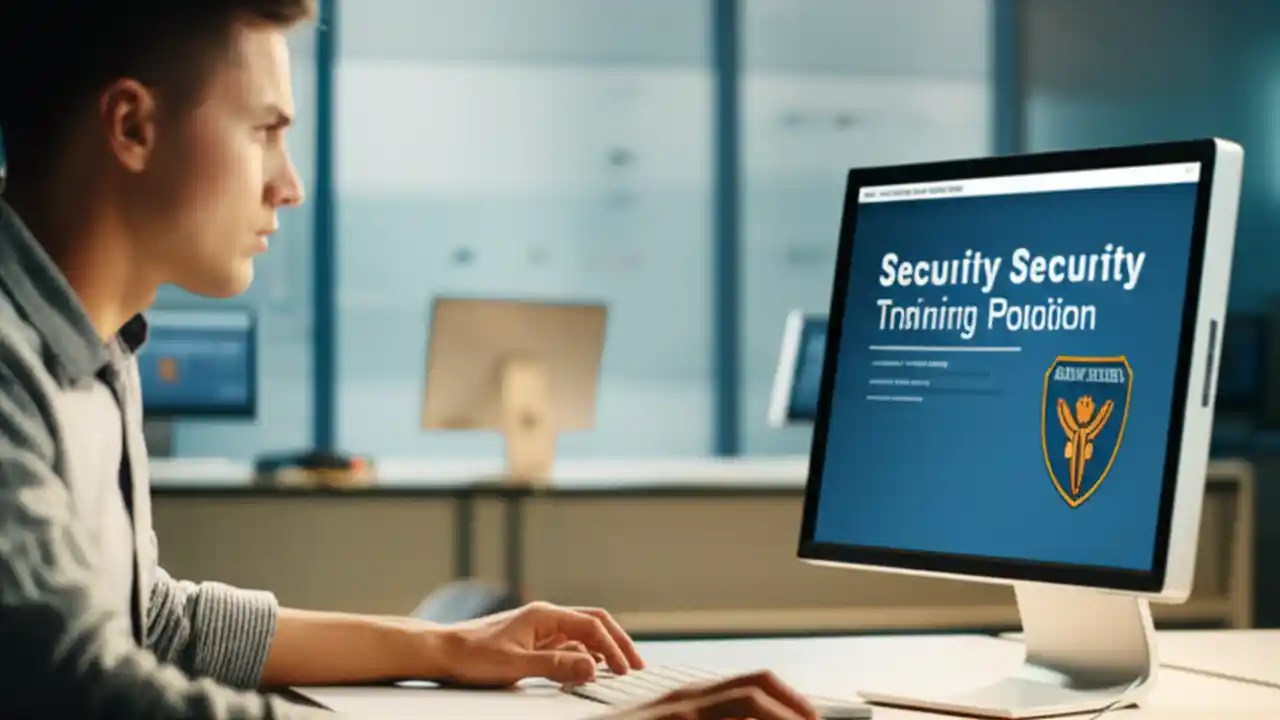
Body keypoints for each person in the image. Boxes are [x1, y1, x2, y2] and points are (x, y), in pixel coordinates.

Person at [0, 2, 818, 719]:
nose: (290, 186)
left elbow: (156, 623)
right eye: (265, 133)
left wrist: (444, 648)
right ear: (133, 127)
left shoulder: (98, 353)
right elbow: (78, 691)